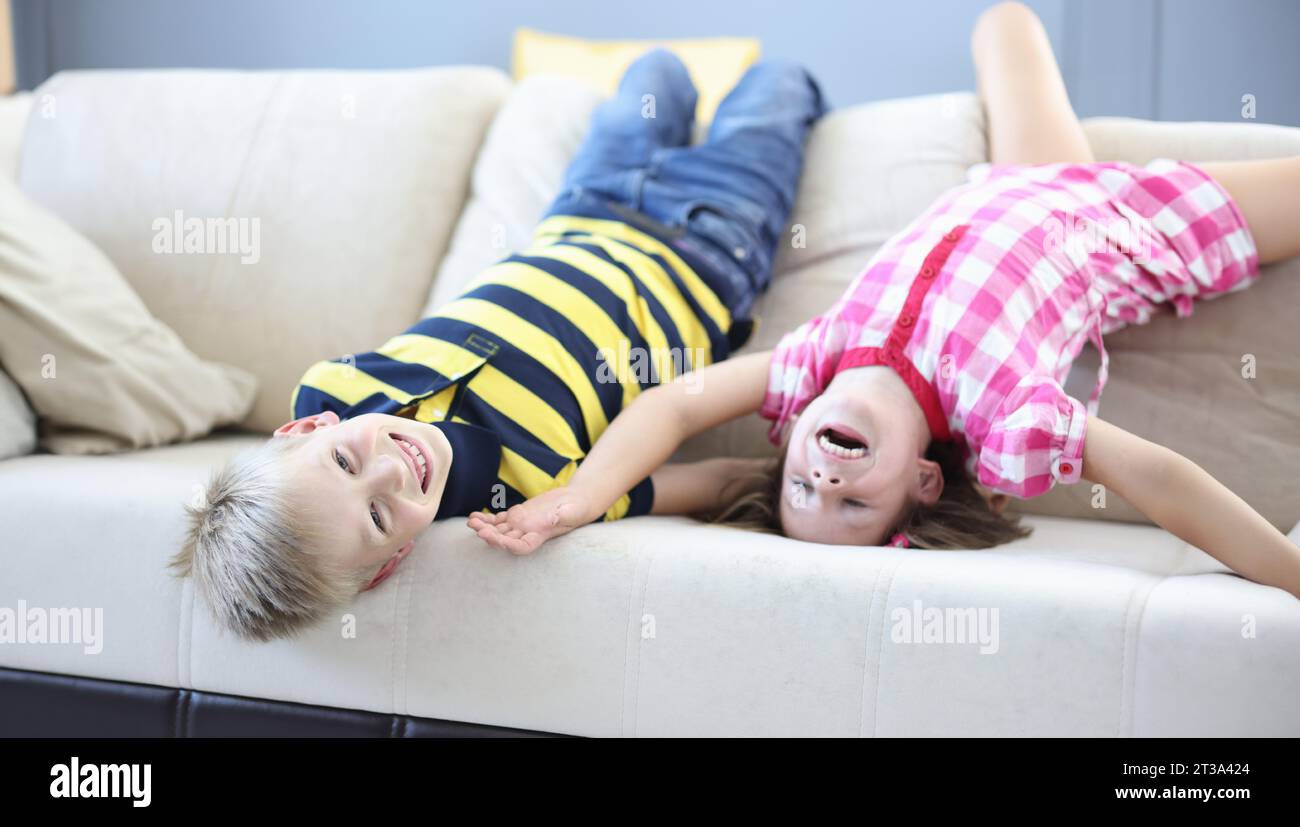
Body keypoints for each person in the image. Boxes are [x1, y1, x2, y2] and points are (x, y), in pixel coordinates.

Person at [469, 3, 1300, 602]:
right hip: (1132, 224)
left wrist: (575, 498)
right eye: (854, 503)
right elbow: (1160, 479)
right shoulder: (1005, 414)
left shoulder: (815, 359)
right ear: (928, 480)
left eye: (804, 489)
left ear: (792, 435)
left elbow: (678, 405)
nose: (826, 478)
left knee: (1004, 20)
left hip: (1023, 176)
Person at [170, 48, 827, 641]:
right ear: (390, 563)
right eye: (376, 516)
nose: (393, 471)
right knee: (778, 85)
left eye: (344, 460)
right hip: (705, 251)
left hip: (582, 209)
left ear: (308, 425)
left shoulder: (332, 387)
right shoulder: (529, 493)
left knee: (657, 74)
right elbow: (705, 481)